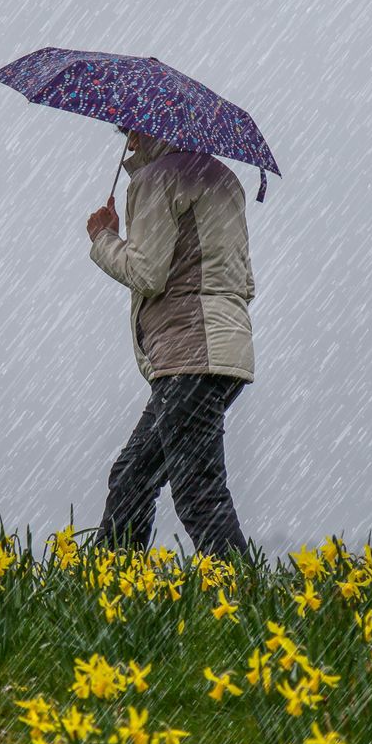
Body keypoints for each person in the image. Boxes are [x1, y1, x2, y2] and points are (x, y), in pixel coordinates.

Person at [84, 126, 256, 560]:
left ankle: (243, 590)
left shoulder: (158, 178)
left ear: (151, 126)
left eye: (130, 130)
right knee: (133, 475)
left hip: (188, 353)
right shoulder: (225, 179)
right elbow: (244, 280)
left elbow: (147, 274)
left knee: (198, 490)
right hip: (226, 351)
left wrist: (104, 238)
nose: (128, 140)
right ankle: (112, 581)